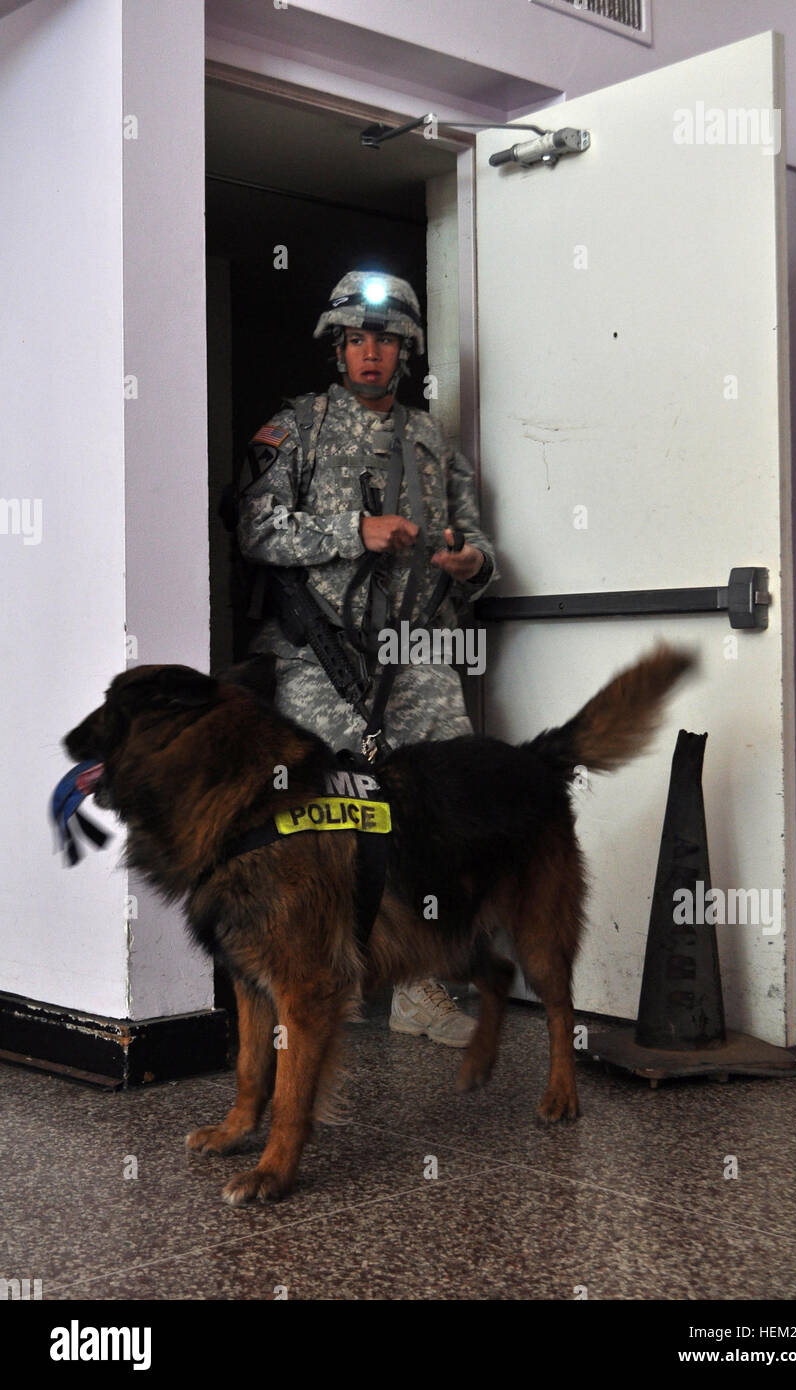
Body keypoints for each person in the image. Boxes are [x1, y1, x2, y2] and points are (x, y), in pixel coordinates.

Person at [236, 268, 497, 1046]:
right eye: (356, 339)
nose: (370, 352)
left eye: (384, 339)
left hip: (415, 655)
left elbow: (480, 541)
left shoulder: (430, 442)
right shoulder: (298, 428)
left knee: (439, 818)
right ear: (338, 348)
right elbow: (254, 530)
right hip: (319, 655)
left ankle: (420, 988)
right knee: (318, 823)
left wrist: (469, 565)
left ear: (405, 350)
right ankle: (315, 980)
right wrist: (353, 531)